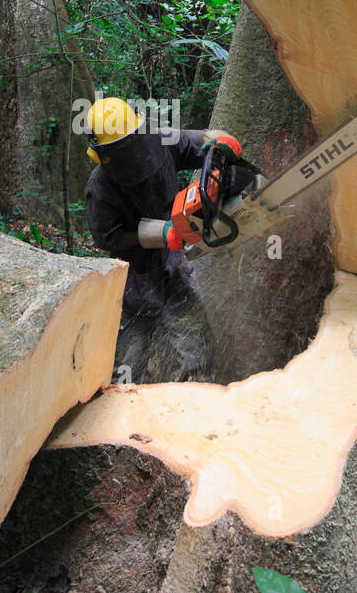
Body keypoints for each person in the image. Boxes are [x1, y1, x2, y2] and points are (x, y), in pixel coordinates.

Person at [83, 98, 244, 384]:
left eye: (132, 141)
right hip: (131, 282)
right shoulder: (101, 187)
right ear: (103, 154)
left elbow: (189, 142)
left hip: (171, 270)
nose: (131, 151)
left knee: (195, 345)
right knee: (128, 360)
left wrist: (215, 139)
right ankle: (122, 410)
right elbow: (107, 237)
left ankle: (195, 394)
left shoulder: (157, 141)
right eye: (121, 147)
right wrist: (159, 234)